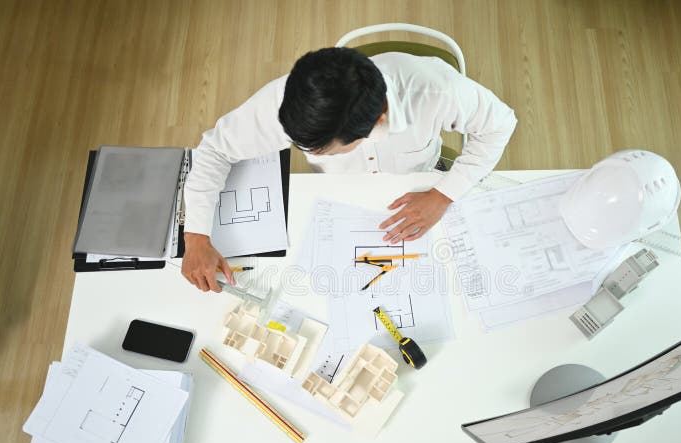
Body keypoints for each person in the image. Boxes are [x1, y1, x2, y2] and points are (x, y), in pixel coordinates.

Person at [182, 47, 516, 292]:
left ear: (375, 124)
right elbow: (215, 149)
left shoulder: (436, 90)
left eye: (321, 150)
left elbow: (501, 125)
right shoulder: (289, 100)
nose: (309, 153)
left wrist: (444, 195)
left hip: (421, 184)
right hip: (339, 196)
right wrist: (196, 236)